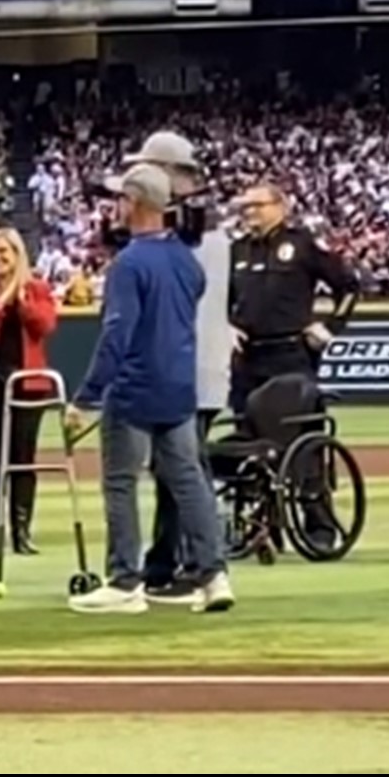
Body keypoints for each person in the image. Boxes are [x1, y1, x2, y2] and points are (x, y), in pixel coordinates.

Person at [67, 164, 234, 615]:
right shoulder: (184, 257)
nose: (115, 208)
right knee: (189, 480)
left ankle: (124, 581)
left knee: (120, 483)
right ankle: (213, 575)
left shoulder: (130, 263)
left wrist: (86, 396)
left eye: (120, 199)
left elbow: (117, 333)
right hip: (179, 388)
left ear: (135, 203)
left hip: (135, 389)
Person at [123, 132, 235, 603]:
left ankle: (199, 567)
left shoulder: (191, 234)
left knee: (184, 475)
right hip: (194, 367)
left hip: (186, 370)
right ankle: (166, 563)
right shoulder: (205, 229)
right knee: (177, 475)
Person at [228, 180, 358, 551]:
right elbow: (220, 299)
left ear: (280, 207)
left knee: (303, 443)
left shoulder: (301, 245)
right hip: (249, 359)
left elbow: (347, 286)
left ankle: (318, 524)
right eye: (245, 206)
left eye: (257, 205)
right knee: (248, 443)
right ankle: (258, 526)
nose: (249, 212)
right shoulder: (236, 250)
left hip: (291, 355)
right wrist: (225, 326)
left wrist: (330, 326)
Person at [0, 226, 59, 556]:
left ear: (17, 254)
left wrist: (23, 302)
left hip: (29, 384)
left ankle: (21, 530)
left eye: (3, 252)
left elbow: (46, 326)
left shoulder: (36, 288)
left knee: (23, 458)